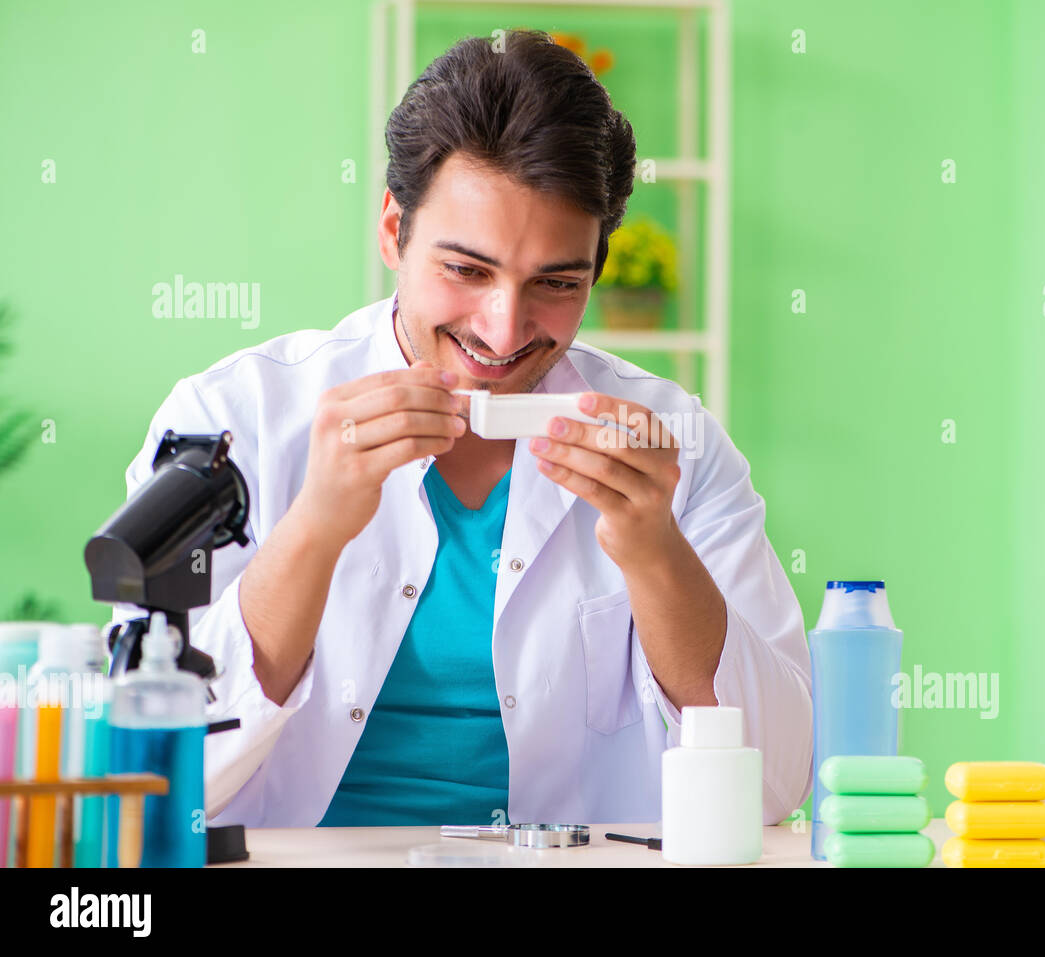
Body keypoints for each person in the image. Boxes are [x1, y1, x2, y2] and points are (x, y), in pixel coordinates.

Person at [112, 29, 812, 828]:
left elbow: (774, 784)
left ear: (597, 269)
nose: (505, 328)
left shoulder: (672, 444)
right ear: (392, 231)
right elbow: (154, 770)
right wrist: (312, 531)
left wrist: (655, 551)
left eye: (555, 281)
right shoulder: (229, 420)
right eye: (466, 270)